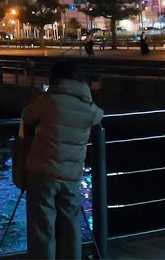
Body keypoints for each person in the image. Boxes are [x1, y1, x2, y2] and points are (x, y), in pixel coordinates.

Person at [19, 61, 104, 260]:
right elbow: (99, 116)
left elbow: (27, 115)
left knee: (42, 227)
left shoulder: (48, 101)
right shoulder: (89, 109)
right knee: (71, 225)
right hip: (71, 176)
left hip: (42, 172)